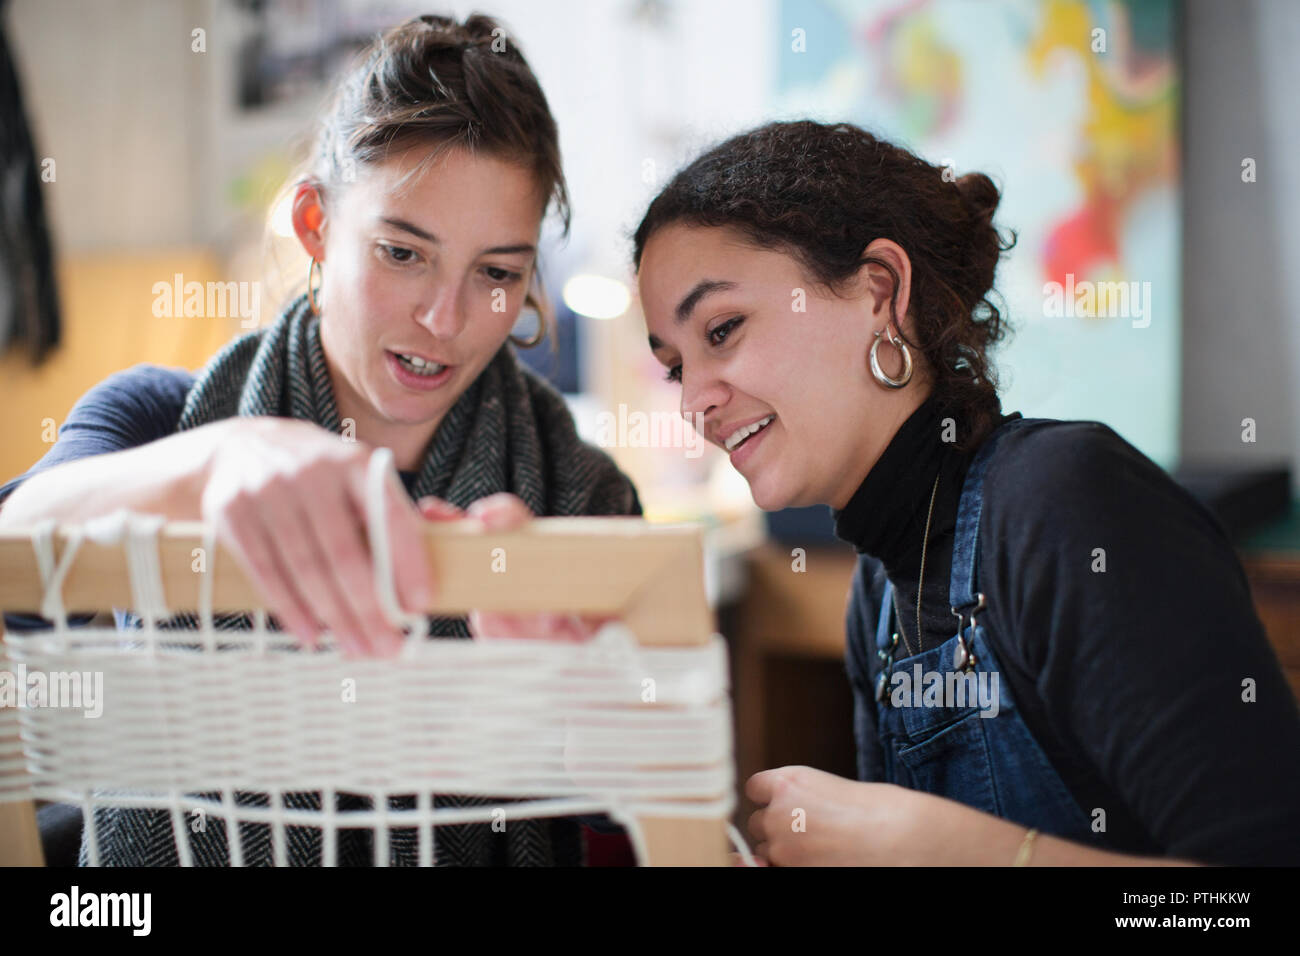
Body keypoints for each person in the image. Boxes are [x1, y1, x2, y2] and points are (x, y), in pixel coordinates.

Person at [0, 14, 638, 867]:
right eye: (402, 252)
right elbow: (14, 551)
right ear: (314, 225)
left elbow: (632, 827)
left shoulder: (583, 498)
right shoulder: (158, 424)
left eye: (495, 273)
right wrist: (215, 463)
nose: (443, 319)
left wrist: (567, 715)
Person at [631, 119, 1300, 866]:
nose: (695, 401)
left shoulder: (1068, 504)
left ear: (879, 293)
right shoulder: (878, 598)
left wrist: (963, 852)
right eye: (674, 367)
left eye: (722, 329)